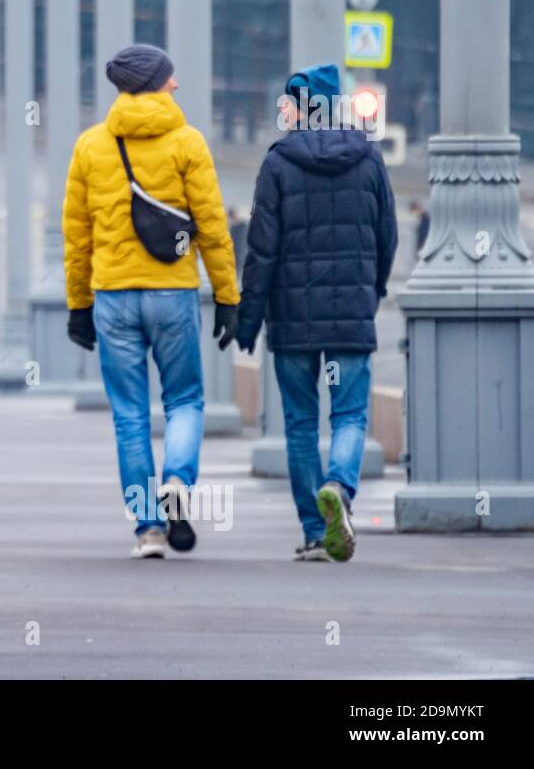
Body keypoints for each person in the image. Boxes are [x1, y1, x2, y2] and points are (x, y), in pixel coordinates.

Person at [62, 43, 239, 559]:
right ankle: (178, 482)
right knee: (184, 399)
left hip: (113, 297)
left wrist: (78, 304)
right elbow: (212, 227)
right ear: (158, 84)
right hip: (172, 292)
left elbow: (77, 234)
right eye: (170, 77)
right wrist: (227, 296)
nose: (177, 84)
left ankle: (149, 529)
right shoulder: (188, 143)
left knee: (130, 416)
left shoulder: (91, 146)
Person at [235, 63, 397, 563]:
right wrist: (371, 291)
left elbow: (261, 250)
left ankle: (313, 529)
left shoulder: (278, 163)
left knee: (301, 424)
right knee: (349, 414)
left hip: (291, 321)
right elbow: (387, 236)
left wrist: (249, 317)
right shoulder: (369, 161)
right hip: (350, 313)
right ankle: (339, 489)